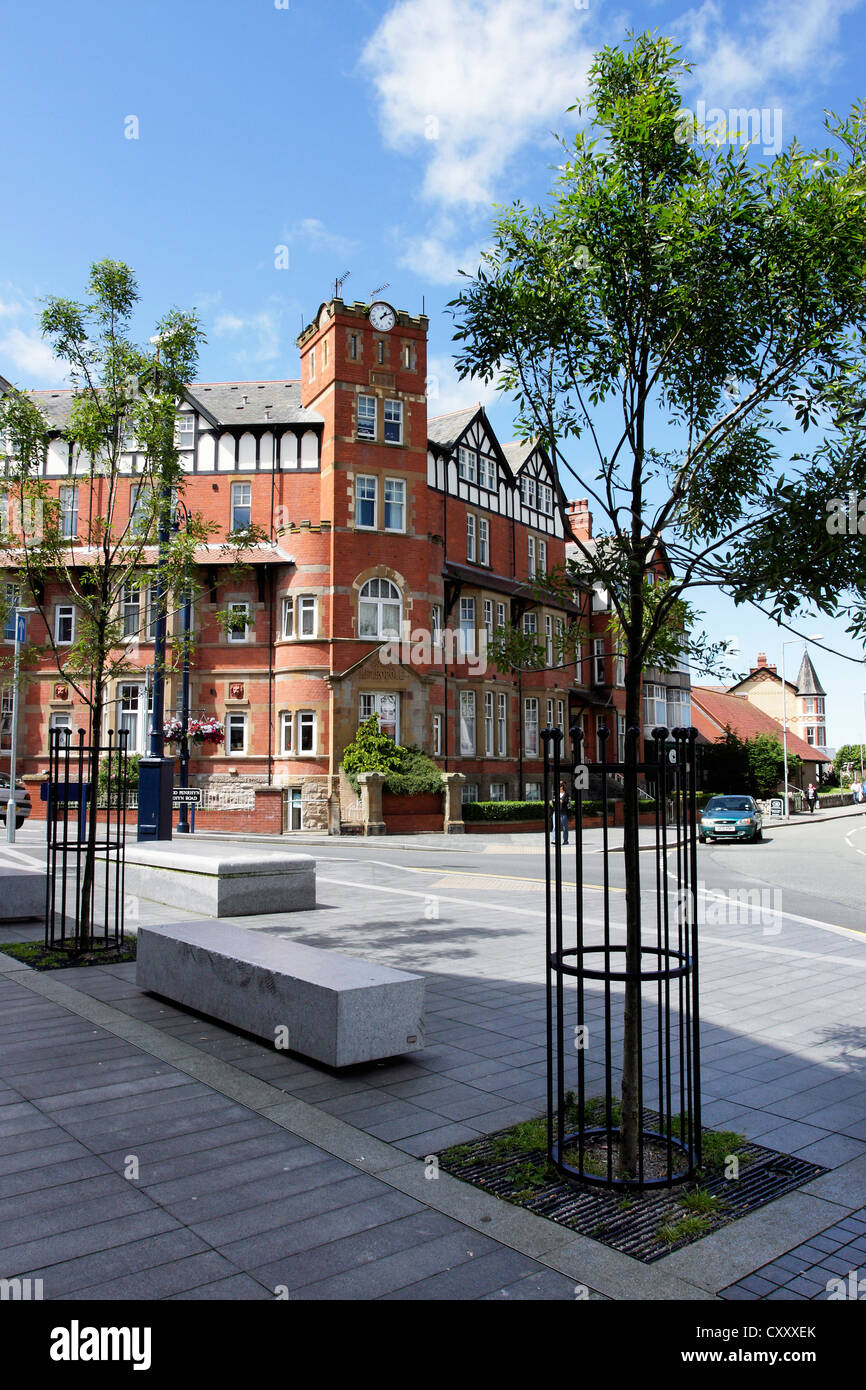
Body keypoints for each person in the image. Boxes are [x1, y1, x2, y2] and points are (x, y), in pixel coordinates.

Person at [550, 781, 570, 846]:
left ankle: (565, 840)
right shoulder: (555, 794)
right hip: (556, 811)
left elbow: (566, 802)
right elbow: (553, 801)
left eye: (560, 786)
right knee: (555, 826)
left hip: (563, 812)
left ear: (562, 786)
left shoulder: (566, 794)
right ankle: (555, 840)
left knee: (564, 827)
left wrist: (559, 801)